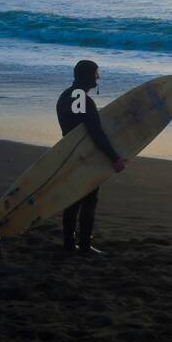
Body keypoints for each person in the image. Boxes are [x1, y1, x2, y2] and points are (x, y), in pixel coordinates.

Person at [57, 60, 125, 256]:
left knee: (74, 200)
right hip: (83, 157)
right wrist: (115, 158)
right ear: (87, 76)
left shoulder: (67, 94)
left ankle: (70, 244)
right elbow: (93, 132)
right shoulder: (80, 99)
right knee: (87, 200)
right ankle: (84, 246)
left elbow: (78, 128)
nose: (99, 77)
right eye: (96, 73)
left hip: (71, 154)